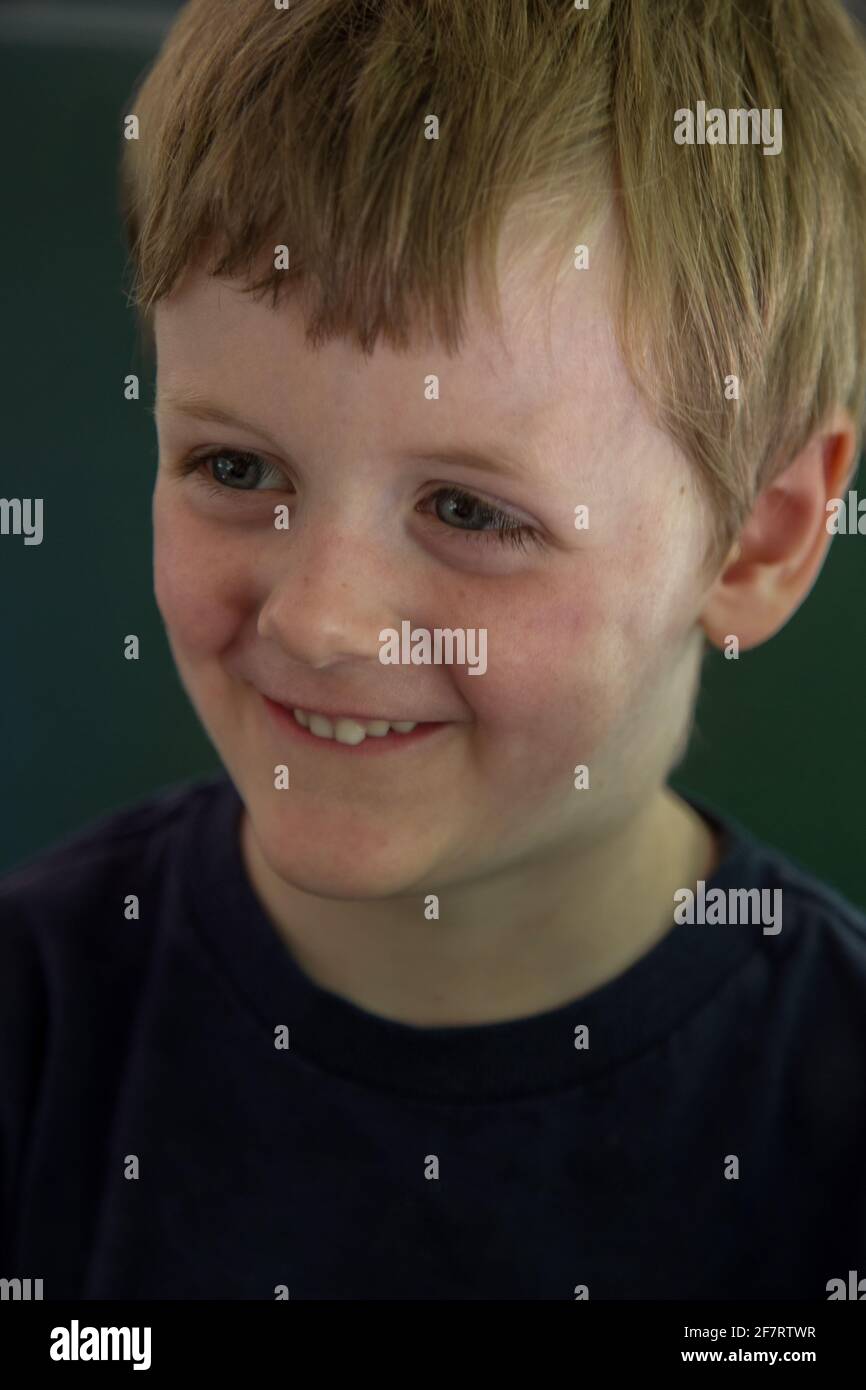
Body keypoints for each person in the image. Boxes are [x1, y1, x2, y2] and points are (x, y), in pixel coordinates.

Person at [2, 0, 866, 1300]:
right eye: (234, 467)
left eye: (470, 510)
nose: (318, 619)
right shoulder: (36, 1032)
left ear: (755, 542)